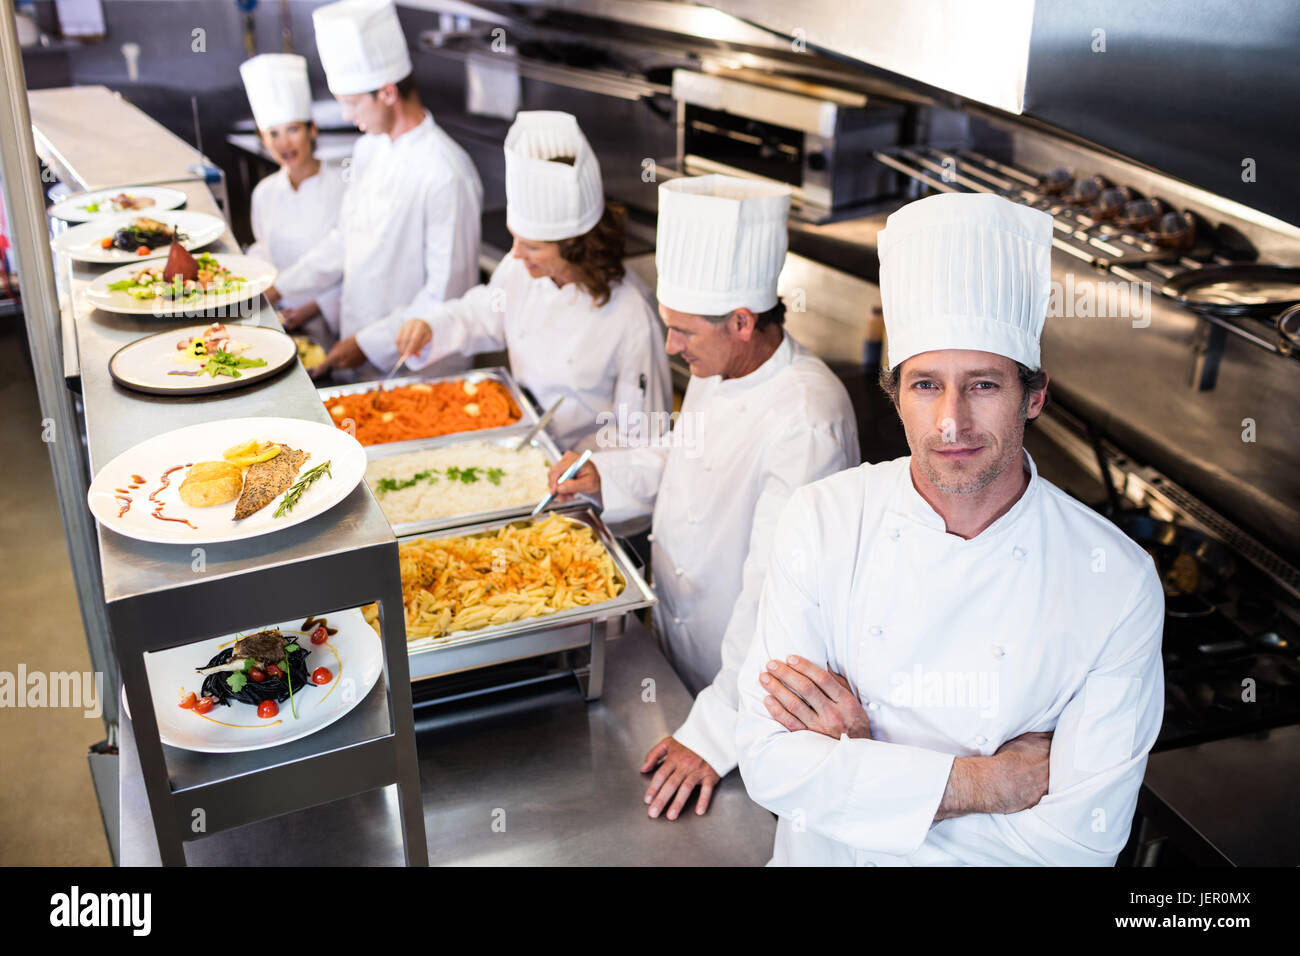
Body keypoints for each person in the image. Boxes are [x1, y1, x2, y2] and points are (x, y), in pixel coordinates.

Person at [736, 191, 1166, 866]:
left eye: (985, 385)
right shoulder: (823, 522)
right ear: (895, 392)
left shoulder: (1116, 581)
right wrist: (988, 783)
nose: (952, 423)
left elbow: (1079, 841)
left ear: (1036, 395)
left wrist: (860, 760)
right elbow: (771, 765)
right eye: (926, 385)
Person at [549, 174, 859, 821]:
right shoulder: (723, 366)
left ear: (742, 322)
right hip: (679, 656)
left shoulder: (808, 415)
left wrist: (715, 737)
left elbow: (777, 591)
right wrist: (611, 479)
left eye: (684, 332)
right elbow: (687, 458)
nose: (671, 347)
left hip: (750, 698)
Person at [390, 111, 671, 452]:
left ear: (576, 246)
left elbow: (643, 441)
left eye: (533, 246)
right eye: (515, 238)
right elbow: (483, 314)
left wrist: (594, 471)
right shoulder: (521, 270)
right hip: (521, 439)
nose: (516, 254)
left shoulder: (632, 318)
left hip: (582, 474)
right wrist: (432, 326)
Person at [264, 0, 483, 380]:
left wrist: (369, 343)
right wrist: (280, 288)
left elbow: (446, 295)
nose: (348, 117)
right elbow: (345, 239)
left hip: (417, 368)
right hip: (357, 348)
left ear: (386, 92)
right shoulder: (369, 148)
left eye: (351, 103)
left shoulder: (446, 173)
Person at [239, 53, 346, 349]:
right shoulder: (264, 192)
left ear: (312, 129)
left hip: (328, 321)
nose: (284, 143)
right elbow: (263, 250)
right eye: (273, 133)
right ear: (264, 139)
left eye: (293, 129)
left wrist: (313, 308)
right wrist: (264, 298)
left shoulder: (343, 188)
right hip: (276, 315)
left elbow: (350, 262)